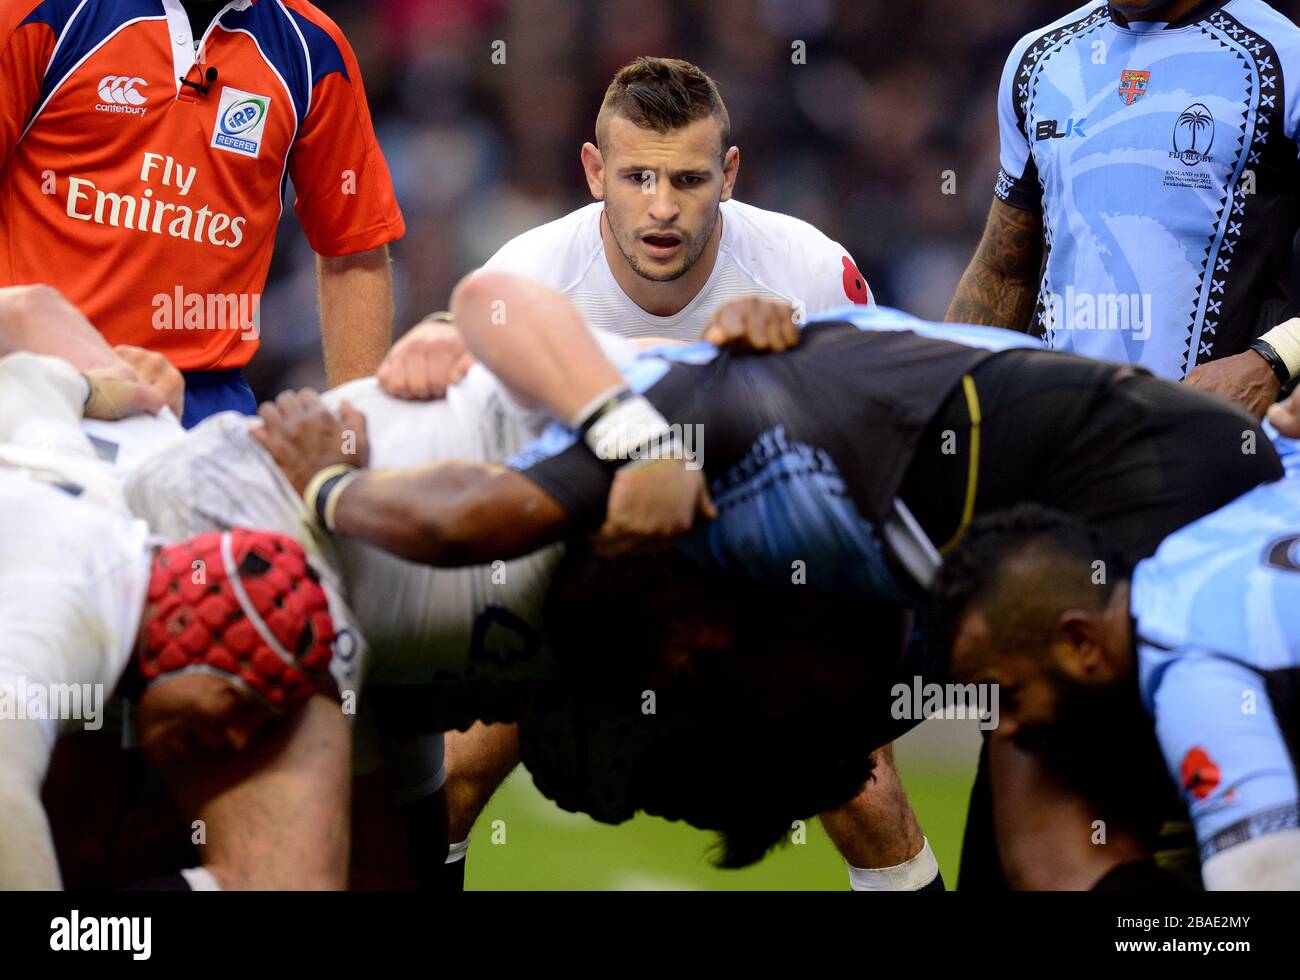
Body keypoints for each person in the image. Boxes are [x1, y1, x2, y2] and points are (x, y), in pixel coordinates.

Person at [256, 271, 1285, 889]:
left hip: (1155, 483)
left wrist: (330, 485)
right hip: (1056, 506)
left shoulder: (670, 446)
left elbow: (486, 351)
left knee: (1201, 844)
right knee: (1047, 857)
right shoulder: (788, 532)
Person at [378, 56, 913, 893]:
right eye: (636, 177)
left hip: (760, 567)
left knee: (865, 790)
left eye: (690, 178)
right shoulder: (524, 277)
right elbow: (483, 468)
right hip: (577, 566)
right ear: (595, 173)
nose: (662, 207)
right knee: (460, 762)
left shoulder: (809, 271)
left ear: (729, 174)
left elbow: (883, 449)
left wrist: (797, 367)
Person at [0, 347, 349, 890]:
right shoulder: (62, 617)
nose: (235, 740)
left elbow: (28, 379)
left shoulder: (95, 505)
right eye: (237, 706)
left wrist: (97, 389)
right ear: (186, 632)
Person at [0, 0, 404, 426]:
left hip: (206, 416)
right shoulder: (41, 12)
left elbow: (354, 254)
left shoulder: (313, 50)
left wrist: (354, 429)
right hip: (31, 390)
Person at [929, 470, 1300, 889]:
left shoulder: (1194, 683)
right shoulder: (1200, 542)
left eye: (1007, 695)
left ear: (1079, 641)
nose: (1003, 727)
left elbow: (1267, 882)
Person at [947, 0, 1300, 415]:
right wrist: (942, 402)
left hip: (1218, 442)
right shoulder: (1039, 60)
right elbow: (1003, 271)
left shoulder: (1283, 59)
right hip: (1060, 438)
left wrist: (1272, 360)